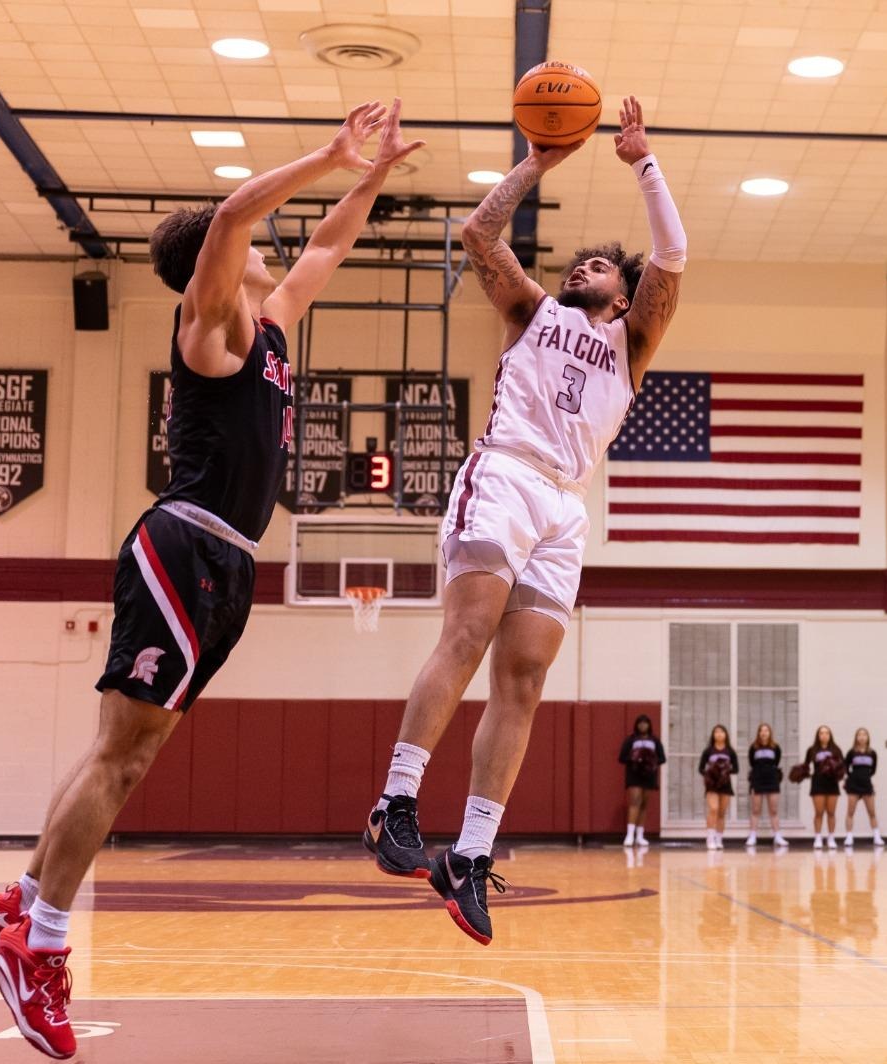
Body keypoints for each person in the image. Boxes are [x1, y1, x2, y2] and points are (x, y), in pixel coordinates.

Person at [0, 102, 423, 1058]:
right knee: (124, 760)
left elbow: (328, 251)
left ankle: (22, 894)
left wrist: (371, 179)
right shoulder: (210, 324)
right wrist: (328, 154)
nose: (272, 253)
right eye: (257, 246)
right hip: (184, 544)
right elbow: (226, 223)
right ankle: (38, 946)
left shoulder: (274, 327)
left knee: (116, 752)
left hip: (227, 563)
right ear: (222, 267)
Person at [362, 96, 686, 945]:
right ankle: (395, 801)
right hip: (504, 473)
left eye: (597, 269)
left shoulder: (633, 343)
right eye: (575, 265)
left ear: (622, 294)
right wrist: (539, 162)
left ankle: (469, 852)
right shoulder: (531, 312)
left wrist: (644, 164)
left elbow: (675, 254)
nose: (581, 270)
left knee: (526, 682)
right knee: (466, 636)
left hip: (565, 508)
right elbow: (479, 233)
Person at [618, 713, 666, 847]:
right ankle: (629, 835)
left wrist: (650, 760)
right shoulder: (631, 740)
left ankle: (640, 835)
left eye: (645, 723)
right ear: (636, 725)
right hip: (634, 774)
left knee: (644, 804)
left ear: (649, 725)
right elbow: (621, 757)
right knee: (635, 801)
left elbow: (662, 758)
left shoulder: (655, 740)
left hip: (649, 775)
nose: (643, 725)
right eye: (640, 723)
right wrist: (635, 759)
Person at [744, 722, 786, 849]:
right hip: (757, 779)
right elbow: (752, 762)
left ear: (770, 733)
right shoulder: (753, 747)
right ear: (758, 733)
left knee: (773, 810)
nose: (764, 732)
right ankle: (752, 836)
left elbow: (777, 761)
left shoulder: (776, 747)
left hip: (772, 779)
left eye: (766, 730)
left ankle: (778, 836)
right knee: (756, 810)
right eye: (761, 730)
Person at [841, 727, 884, 848]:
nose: (862, 737)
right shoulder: (851, 752)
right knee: (850, 812)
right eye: (859, 734)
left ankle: (877, 837)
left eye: (864, 734)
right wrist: (852, 777)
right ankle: (849, 837)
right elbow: (846, 767)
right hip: (853, 784)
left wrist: (865, 777)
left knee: (872, 812)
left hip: (866, 784)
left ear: (868, 737)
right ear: (856, 737)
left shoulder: (872, 753)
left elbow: (873, 770)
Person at [803, 725, 844, 850]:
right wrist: (806, 774)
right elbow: (806, 766)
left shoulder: (836, 750)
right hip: (818, 783)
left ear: (830, 735)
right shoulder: (812, 750)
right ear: (818, 735)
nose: (824, 735)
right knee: (819, 812)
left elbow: (842, 766)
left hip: (832, 783)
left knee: (831, 812)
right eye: (821, 733)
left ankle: (831, 838)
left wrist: (837, 771)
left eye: (827, 733)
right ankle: (818, 838)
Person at [699, 725, 738, 850]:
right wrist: (710, 774)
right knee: (713, 809)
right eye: (716, 732)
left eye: (722, 732)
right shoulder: (708, 751)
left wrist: (725, 770)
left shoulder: (730, 751)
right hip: (712, 784)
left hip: (725, 784)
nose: (719, 734)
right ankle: (710, 838)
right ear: (713, 735)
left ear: (726, 734)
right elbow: (700, 768)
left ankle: (719, 839)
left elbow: (736, 769)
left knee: (721, 812)